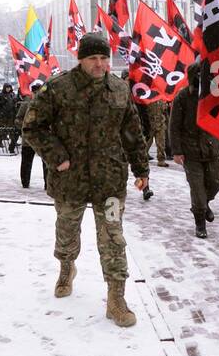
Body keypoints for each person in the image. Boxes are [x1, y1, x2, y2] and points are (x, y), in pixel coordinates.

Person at [20, 32, 150, 326]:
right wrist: (57, 156)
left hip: (111, 181)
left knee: (113, 238)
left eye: (104, 58)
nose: (100, 64)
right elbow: (31, 126)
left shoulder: (118, 89)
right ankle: (67, 266)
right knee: (66, 230)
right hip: (70, 180)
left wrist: (141, 169)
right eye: (93, 58)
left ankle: (116, 299)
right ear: (81, 59)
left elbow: (132, 132)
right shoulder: (59, 88)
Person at [168, 61, 219, 238]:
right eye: (199, 76)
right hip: (191, 151)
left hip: (211, 149)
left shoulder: (215, 95)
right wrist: (176, 151)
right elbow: (174, 126)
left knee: (216, 182)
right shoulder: (183, 97)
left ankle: (205, 204)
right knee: (197, 189)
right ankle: (200, 223)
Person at [17, 85, 47, 189]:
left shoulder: (46, 103)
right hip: (28, 140)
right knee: (26, 162)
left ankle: (47, 185)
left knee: (46, 163)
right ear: (33, 93)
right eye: (37, 93)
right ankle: (25, 183)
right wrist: (25, 128)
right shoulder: (26, 104)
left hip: (43, 139)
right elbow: (18, 119)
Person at [0, 83, 20, 151]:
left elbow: (16, 102)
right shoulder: (0, 95)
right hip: (3, 115)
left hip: (11, 115)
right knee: (2, 129)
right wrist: (2, 102)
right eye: (7, 88)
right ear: (4, 88)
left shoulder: (13, 95)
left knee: (12, 129)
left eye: (9, 88)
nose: (8, 89)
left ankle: (13, 142)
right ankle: (0, 142)